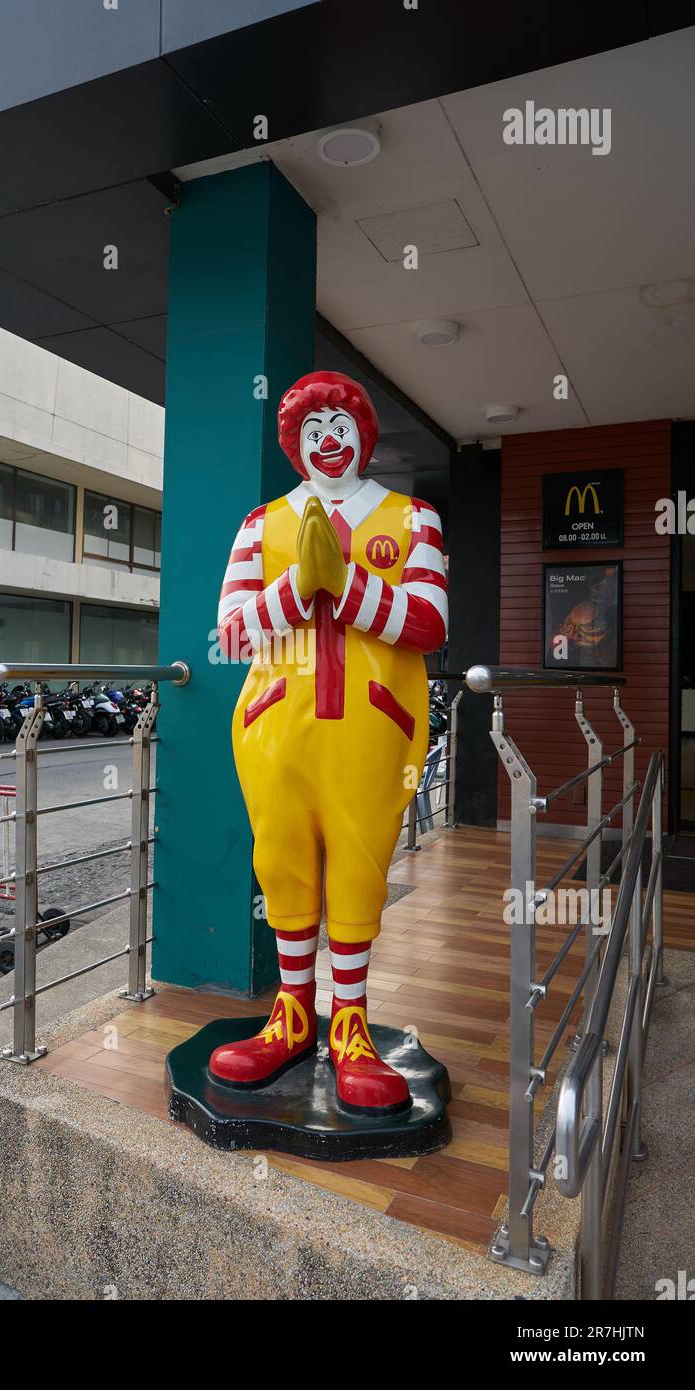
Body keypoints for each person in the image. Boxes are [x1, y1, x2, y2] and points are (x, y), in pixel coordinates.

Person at [208, 371, 448, 1114]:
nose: (329, 439)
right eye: (313, 430)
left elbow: (430, 622)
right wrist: (296, 588)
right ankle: (290, 1016)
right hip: (276, 728)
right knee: (281, 864)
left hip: (374, 733)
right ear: (295, 444)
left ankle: (348, 1025)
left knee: (358, 868)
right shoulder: (261, 522)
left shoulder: (414, 518)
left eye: (341, 423)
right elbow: (233, 631)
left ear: (364, 435)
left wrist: (342, 585)